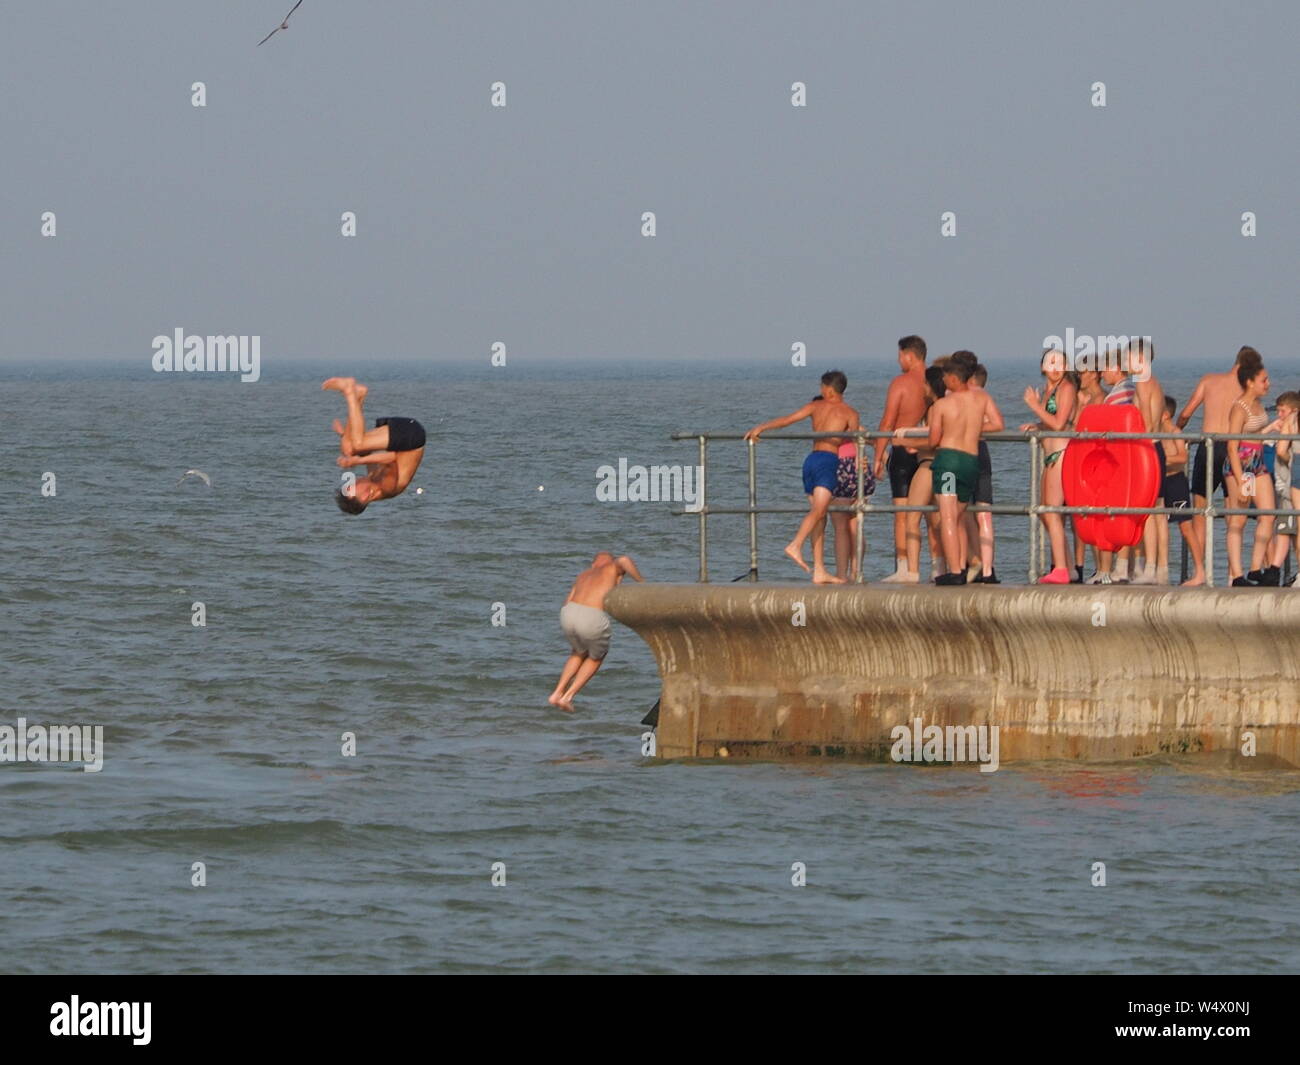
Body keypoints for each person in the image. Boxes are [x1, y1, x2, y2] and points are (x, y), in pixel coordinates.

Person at [745, 371, 861, 583]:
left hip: (811, 461)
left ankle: (819, 570)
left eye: (821, 387)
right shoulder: (850, 413)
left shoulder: (815, 407)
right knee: (819, 511)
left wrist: (761, 427)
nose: (820, 390)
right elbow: (854, 442)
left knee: (820, 517)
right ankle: (796, 544)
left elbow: (787, 420)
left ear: (828, 389)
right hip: (828, 462)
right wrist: (861, 465)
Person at [1177, 346, 1264, 567]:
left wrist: (1176, 431)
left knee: (1200, 508)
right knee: (1234, 511)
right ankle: (1233, 572)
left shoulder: (1209, 380)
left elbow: (1186, 413)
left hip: (1208, 446)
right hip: (1235, 449)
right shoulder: (1247, 390)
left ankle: (1199, 569)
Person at [926, 359, 1004, 584]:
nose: (942, 380)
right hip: (971, 462)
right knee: (959, 514)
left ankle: (955, 570)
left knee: (948, 517)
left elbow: (933, 440)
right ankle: (962, 565)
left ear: (952, 378)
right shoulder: (981, 399)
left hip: (949, 462)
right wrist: (972, 429)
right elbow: (998, 423)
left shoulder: (942, 404)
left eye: (945, 376)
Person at [549, 552, 645, 711]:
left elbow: (567, 601)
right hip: (591, 615)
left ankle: (556, 693)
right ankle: (568, 696)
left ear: (593, 564)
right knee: (597, 656)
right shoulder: (613, 567)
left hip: (568, 613)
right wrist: (642, 583)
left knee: (578, 652)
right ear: (610, 561)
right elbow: (625, 560)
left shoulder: (584, 574)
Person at [323, 377, 426, 514]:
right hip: (411, 437)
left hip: (402, 438)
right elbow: (390, 458)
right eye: (353, 486)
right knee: (358, 444)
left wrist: (344, 435)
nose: (355, 480)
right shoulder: (387, 488)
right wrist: (357, 460)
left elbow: (367, 453)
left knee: (349, 448)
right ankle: (349, 391)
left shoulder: (372, 479)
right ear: (365, 496)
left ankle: (359, 396)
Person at [875, 336, 930, 582]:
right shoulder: (936, 380)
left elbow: (888, 421)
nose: (899, 361)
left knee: (902, 513)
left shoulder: (901, 382)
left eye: (900, 356)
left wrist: (878, 456)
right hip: (928, 451)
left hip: (901, 450)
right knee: (931, 513)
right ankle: (938, 566)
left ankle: (904, 568)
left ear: (909, 355)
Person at [1021, 349, 1077, 583]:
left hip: (1060, 454)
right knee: (1047, 512)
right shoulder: (1049, 390)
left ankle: (1061, 569)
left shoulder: (1066, 388)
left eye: (1060, 363)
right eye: (1051, 363)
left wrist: (1034, 405)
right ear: (1043, 367)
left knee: (1052, 511)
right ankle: (1069, 565)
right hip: (1049, 453)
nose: (1055, 367)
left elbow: (1059, 422)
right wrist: (1036, 424)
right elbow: (1048, 421)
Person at [891, 363, 949, 582]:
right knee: (938, 519)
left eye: (925, 383)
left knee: (912, 516)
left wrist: (908, 442)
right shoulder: (947, 405)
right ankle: (940, 568)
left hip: (928, 465)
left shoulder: (936, 408)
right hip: (945, 467)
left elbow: (934, 439)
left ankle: (912, 571)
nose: (922, 387)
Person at [1223, 361, 1275, 586]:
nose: (1268, 384)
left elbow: (1257, 431)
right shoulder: (1239, 407)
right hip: (1240, 464)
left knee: (1268, 514)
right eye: (1263, 380)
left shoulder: (1259, 404)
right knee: (1239, 519)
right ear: (1250, 382)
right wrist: (1241, 478)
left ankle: (1255, 567)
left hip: (1258, 460)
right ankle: (1236, 574)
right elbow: (1232, 446)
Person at [1127, 339, 1168, 584]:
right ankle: (1157, 568)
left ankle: (1150, 568)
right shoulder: (1155, 383)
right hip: (1156, 448)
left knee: (1148, 512)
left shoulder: (1143, 382)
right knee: (1156, 512)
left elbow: (1142, 422)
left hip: (1146, 449)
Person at [1160, 395, 1205, 585]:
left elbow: (1182, 457)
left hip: (1176, 482)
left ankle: (1200, 571)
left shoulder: (1175, 432)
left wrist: (1162, 461)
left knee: (1186, 526)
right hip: (1160, 481)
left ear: (1165, 414)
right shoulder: (1154, 433)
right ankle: (1158, 568)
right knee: (1156, 523)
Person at [1261, 392, 1300, 587]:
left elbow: (1281, 451)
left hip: (1292, 478)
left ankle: (1288, 573)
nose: (1279, 414)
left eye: (1281, 410)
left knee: (1294, 528)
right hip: (1288, 481)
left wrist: (1289, 461)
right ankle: (1279, 570)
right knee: (1291, 528)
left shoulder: (1290, 423)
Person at [1072, 368, 1106, 582]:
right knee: (1086, 517)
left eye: (1082, 373)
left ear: (1094, 374)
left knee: (1098, 517)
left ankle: (1103, 569)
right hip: (1085, 461)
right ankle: (1095, 568)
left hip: (1097, 462)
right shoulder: (1087, 399)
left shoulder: (1102, 399)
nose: (1079, 377)